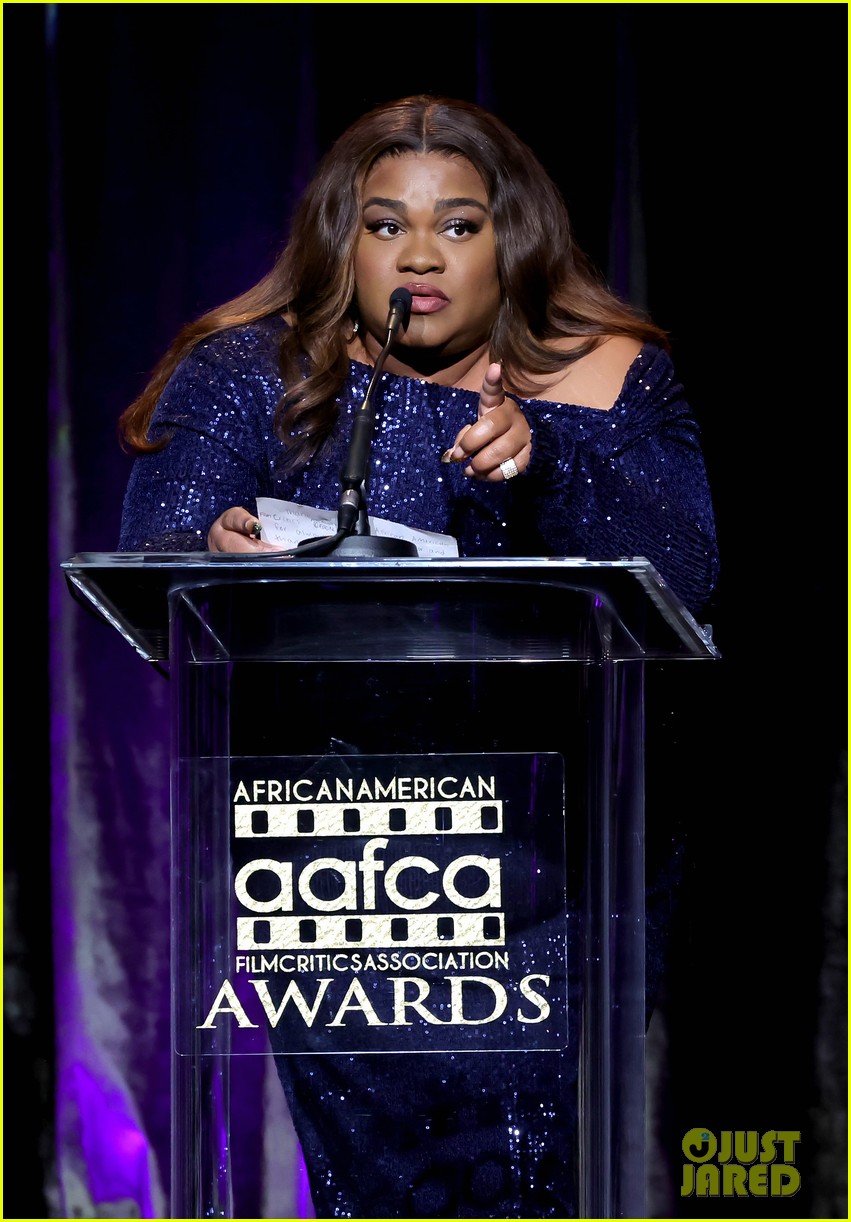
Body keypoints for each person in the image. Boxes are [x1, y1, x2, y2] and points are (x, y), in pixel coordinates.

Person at [117, 94, 719, 1218]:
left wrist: (543, 470)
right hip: (343, 871)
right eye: (385, 224)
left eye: (459, 223)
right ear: (339, 240)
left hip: (553, 869)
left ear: (514, 239)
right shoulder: (251, 373)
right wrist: (210, 548)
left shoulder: (608, 376)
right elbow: (154, 561)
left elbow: (682, 569)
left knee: (524, 1179)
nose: (420, 254)